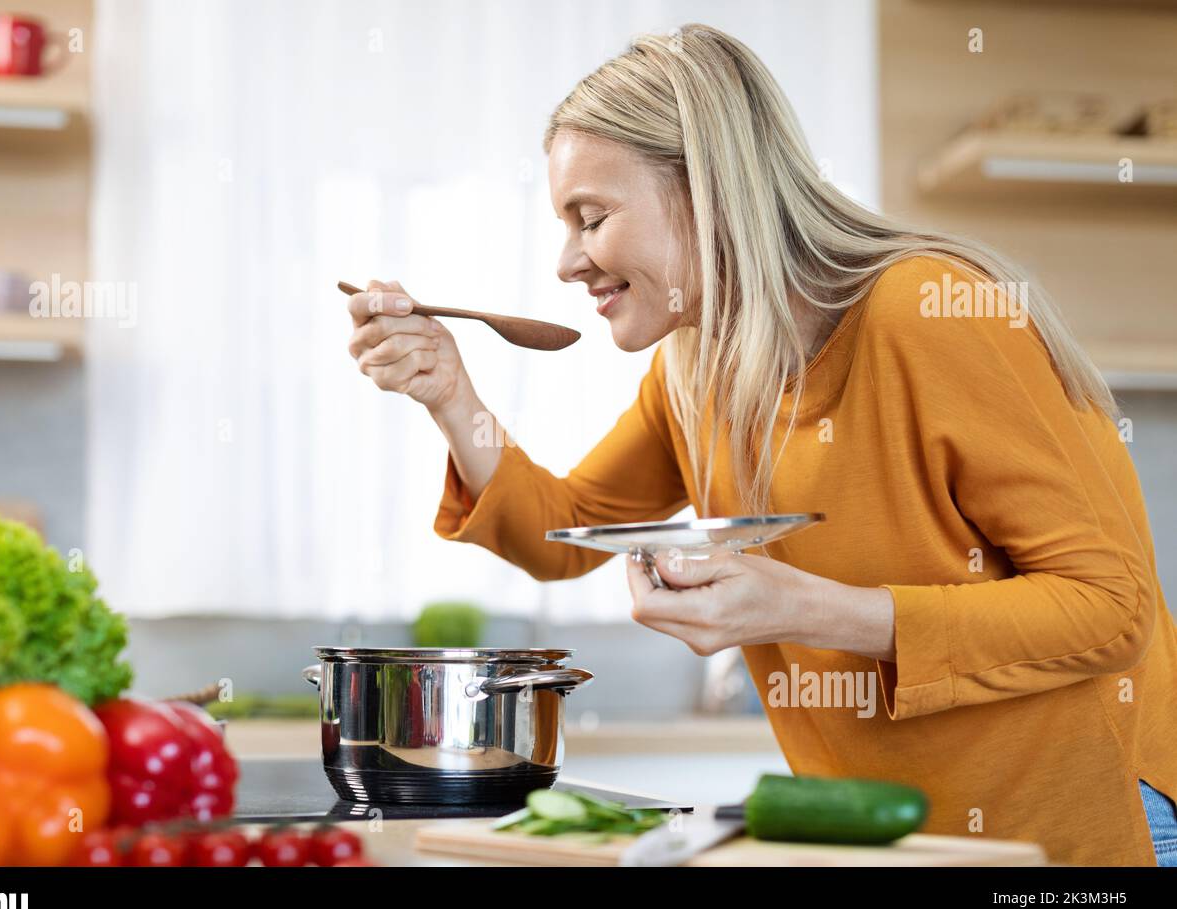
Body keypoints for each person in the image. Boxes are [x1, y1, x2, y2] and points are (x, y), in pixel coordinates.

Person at [344, 24, 1176, 866]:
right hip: (896, 836)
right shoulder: (697, 365)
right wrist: (452, 396)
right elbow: (561, 531)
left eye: (590, 218)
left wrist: (797, 605)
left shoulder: (923, 312)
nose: (567, 262)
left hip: (1083, 829)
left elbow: (1112, 608)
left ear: (706, 188)